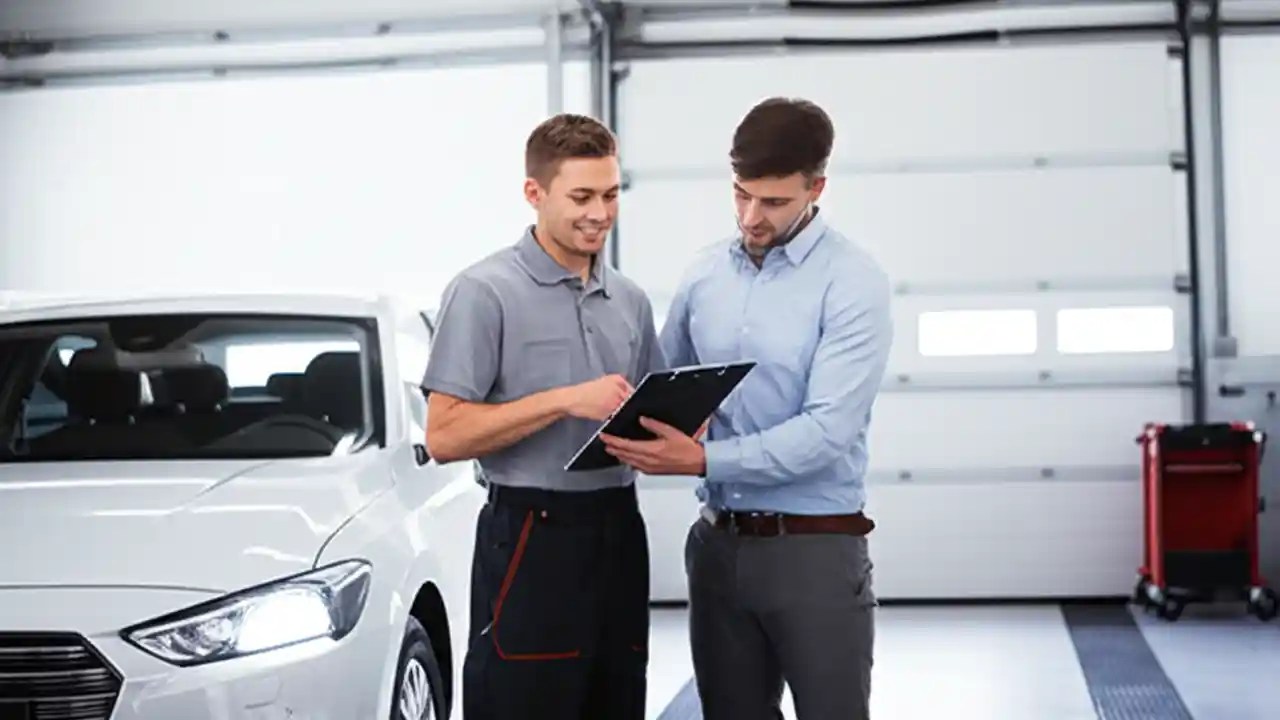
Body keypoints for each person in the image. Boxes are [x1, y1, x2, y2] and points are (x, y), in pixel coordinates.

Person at [600, 97, 894, 720]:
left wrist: (703, 458)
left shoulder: (852, 281)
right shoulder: (706, 271)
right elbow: (665, 380)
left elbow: (827, 432)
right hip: (717, 549)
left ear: (817, 187)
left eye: (774, 202)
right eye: (740, 195)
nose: (751, 216)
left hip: (813, 550)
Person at [421, 113, 664, 720]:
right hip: (532, 532)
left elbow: (643, 410)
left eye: (610, 195)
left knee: (616, 697)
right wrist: (562, 400)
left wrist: (679, 430)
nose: (600, 213)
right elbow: (445, 435)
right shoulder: (484, 291)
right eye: (581, 197)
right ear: (535, 193)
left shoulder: (630, 299)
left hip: (618, 527)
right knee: (522, 704)